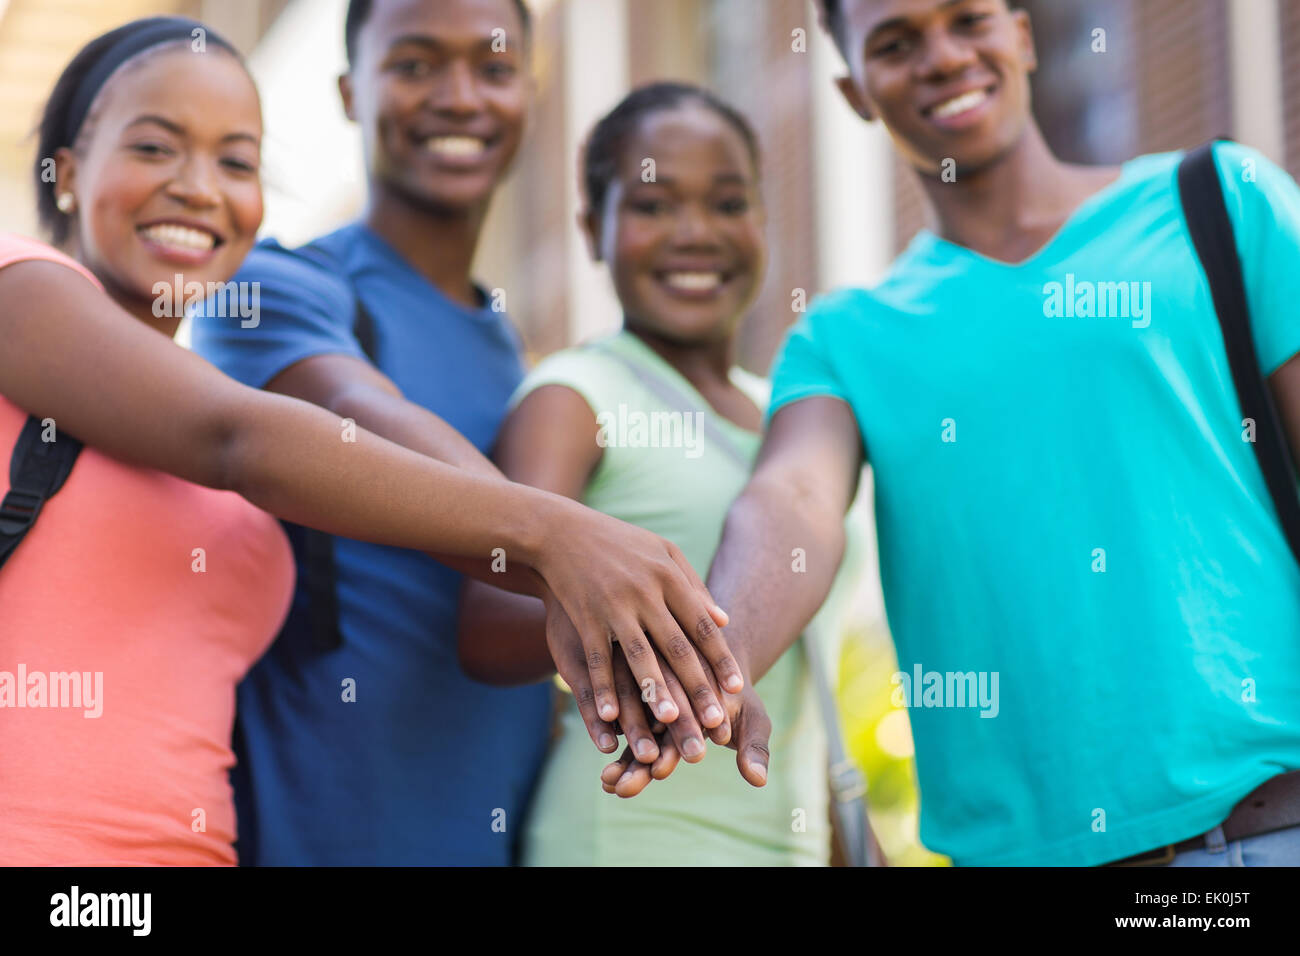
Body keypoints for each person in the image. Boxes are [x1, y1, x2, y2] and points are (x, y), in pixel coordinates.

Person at [0, 15, 737, 866]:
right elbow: (240, 435)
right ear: (64, 174)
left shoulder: (232, 496)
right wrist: (560, 535)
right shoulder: (22, 288)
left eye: (237, 161)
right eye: (156, 148)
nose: (199, 187)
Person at [616, 0, 1300, 867]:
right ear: (854, 89)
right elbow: (791, 500)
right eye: (895, 43)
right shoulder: (843, 336)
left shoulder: (1218, 204)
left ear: (1020, 34)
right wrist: (720, 665)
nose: (940, 57)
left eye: (966, 20)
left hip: (1261, 838)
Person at [457, 82, 864, 865]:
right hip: (628, 833)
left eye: (726, 202)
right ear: (592, 230)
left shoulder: (791, 419)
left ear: (762, 220)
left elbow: (807, 695)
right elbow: (485, 623)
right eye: (651, 206)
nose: (694, 233)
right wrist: (639, 627)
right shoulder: (576, 395)